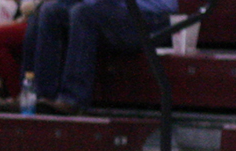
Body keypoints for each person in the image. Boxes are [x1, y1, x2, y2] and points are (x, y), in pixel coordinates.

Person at [25, 0, 177, 113]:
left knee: (83, 13)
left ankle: (72, 100)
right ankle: (41, 97)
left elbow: (168, 6)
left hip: (151, 18)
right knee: (50, 11)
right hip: (112, 11)